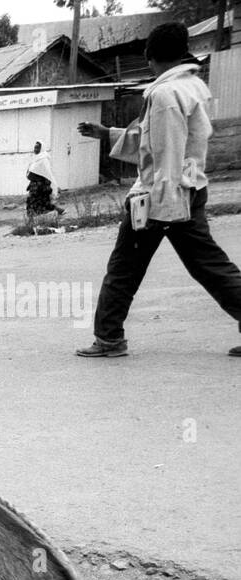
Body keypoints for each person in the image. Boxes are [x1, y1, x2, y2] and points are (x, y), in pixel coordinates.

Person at [76, 22, 241, 358]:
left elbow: (165, 153)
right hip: (188, 189)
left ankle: (108, 339)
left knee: (123, 269)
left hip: (162, 195)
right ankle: (108, 336)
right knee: (210, 266)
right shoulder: (190, 85)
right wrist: (107, 133)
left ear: (151, 57)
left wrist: (158, 209)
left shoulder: (165, 95)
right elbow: (156, 141)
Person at [25, 143, 62, 219]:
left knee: (41, 202)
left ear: (41, 148)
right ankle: (32, 219)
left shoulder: (44, 159)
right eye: (35, 148)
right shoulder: (35, 158)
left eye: (37, 148)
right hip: (34, 186)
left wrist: (56, 185)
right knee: (34, 202)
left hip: (41, 186)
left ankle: (57, 211)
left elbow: (49, 173)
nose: (35, 150)